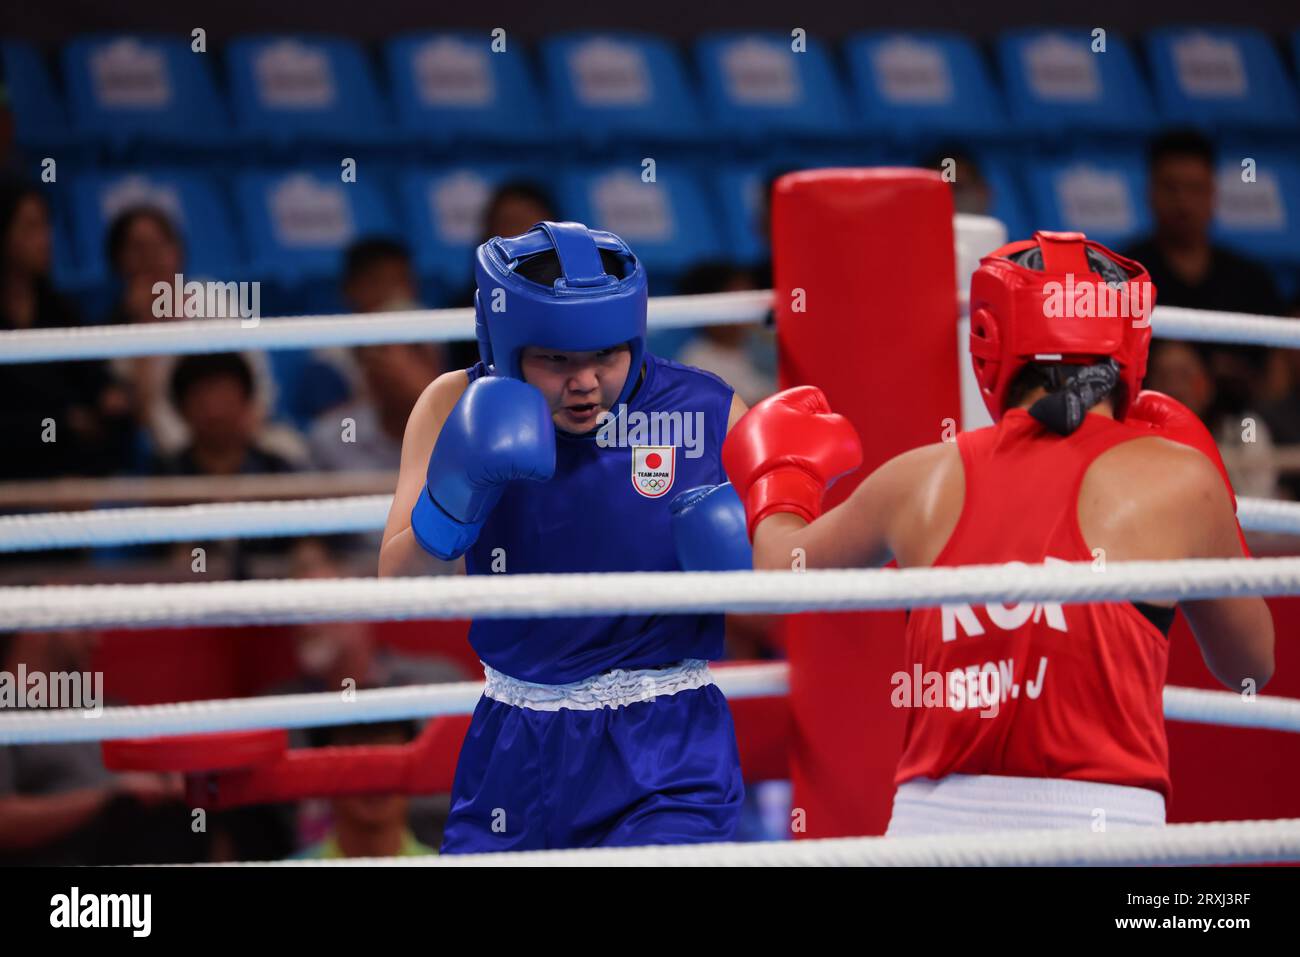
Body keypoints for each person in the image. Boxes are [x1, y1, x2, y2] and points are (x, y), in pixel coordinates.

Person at [719, 230, 1274, 834]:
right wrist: (1217, 512)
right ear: (1128, 347)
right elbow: (1249, 664)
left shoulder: (923, 475)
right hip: (1103, 823)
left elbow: (781, 569)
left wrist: (783, 474)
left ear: (991, 342)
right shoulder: (1178, 477)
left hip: (933, 828)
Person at [379, 221, 751, 852]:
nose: (585, 382)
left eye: (606, 354)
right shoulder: (453, 404)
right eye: (556, 360)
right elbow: (397, 584)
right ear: (504, 344)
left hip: (666, 749)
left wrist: (741, 557)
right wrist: (455, 498)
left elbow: (790, 580)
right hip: (516, 745)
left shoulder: (706, 409)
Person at [0, 179, 135, 480]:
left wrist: (108, 396)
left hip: (74, 471)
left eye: (46, 226)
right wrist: (62, 422)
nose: (45, 239)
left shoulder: (60, 310)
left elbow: (96, 382)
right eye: (30, 227)